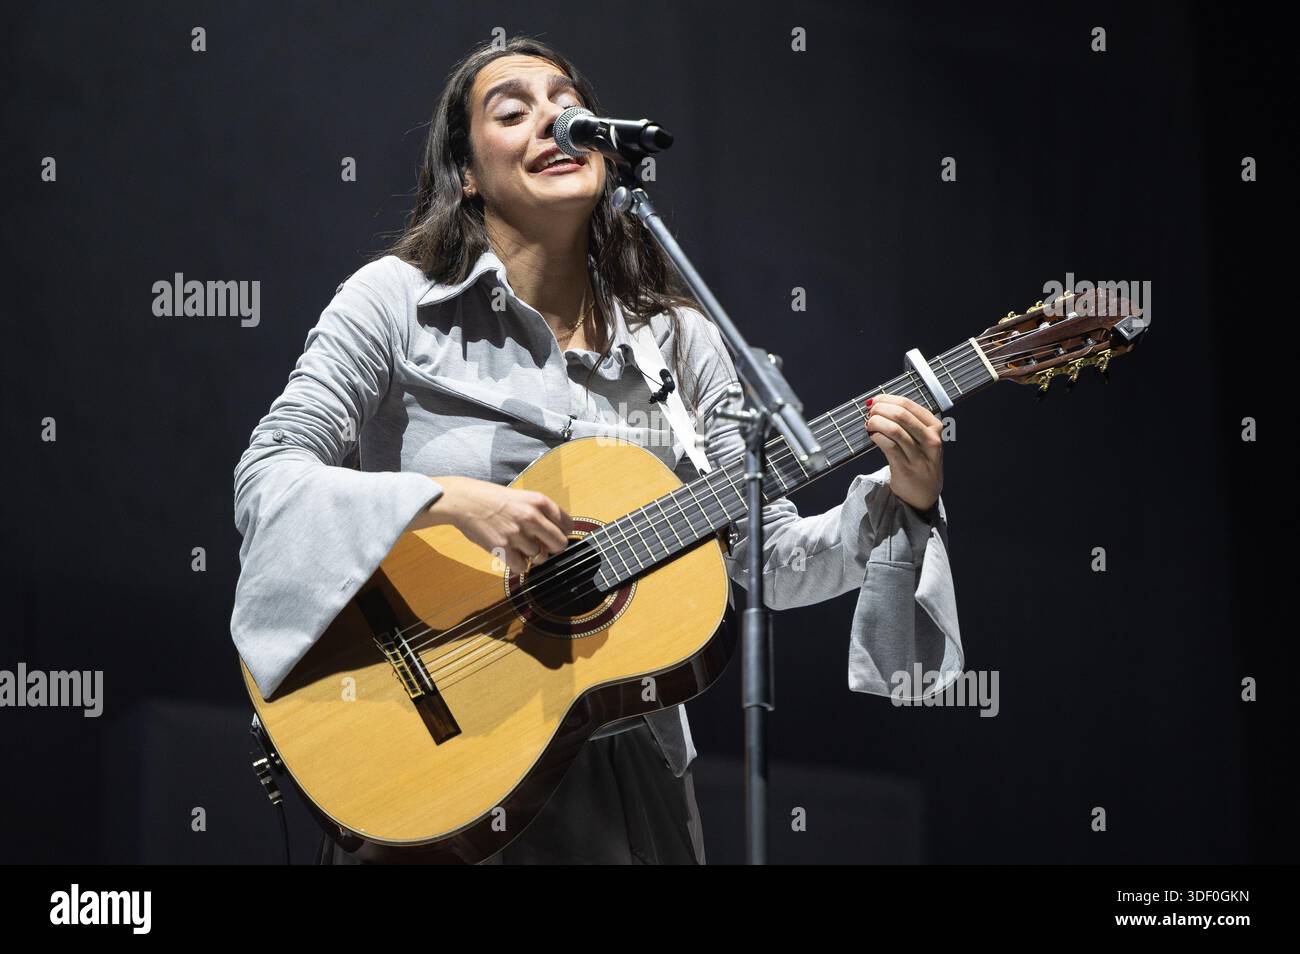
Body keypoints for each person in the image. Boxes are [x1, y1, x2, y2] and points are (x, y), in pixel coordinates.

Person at [231, 36, 964, 866]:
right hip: (426, 758)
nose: (554, 122)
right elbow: (270, 480)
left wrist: (900, 497)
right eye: (514, 111)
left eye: (566, 103)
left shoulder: (677, 339)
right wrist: (450, 502)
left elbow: (765, 558)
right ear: (466, 173)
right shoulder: (395, 303)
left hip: (625, 781)